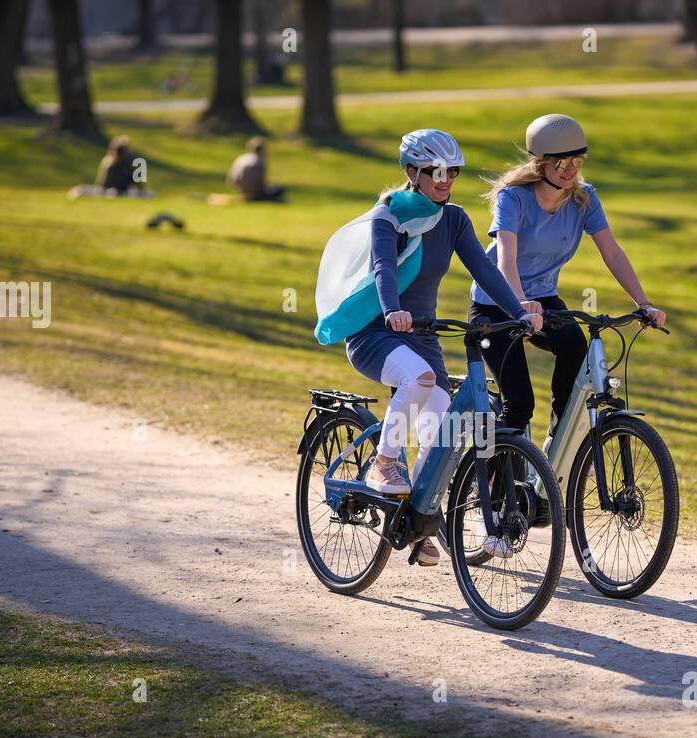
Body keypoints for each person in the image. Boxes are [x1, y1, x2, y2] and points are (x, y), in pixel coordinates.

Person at [328, 129, 535, 567]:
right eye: (436, 172)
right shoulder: (389, 216)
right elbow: (384, 267)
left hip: (423, 337)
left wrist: (518, 310)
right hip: (376, 334)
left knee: (441, 438)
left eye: (453, 172)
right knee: (418, 379)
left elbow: (485, 268)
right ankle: (384, 462)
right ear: (412, 173)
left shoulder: (455, 218)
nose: (445, 180)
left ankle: (415, 517)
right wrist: (391, 310)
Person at [468, 114, 666, 447]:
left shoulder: (584, 198)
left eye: (577, 160)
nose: (571, 169)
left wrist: (643, 303)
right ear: (541, 163)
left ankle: (555, 442)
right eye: (562, 163)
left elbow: (612, 253)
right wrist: (518, 303)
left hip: (542, 299)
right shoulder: (513, 198)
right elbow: (506, 257)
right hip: (497, 300)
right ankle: (492, 486)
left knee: (574, 346)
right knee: (518, 407)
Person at [228, 137, 285, 202]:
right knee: (279, 189)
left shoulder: (241, 158)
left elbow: (231, 178)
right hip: (255, 191)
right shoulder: (259, 161)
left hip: (240, 188)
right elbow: (260, 181)